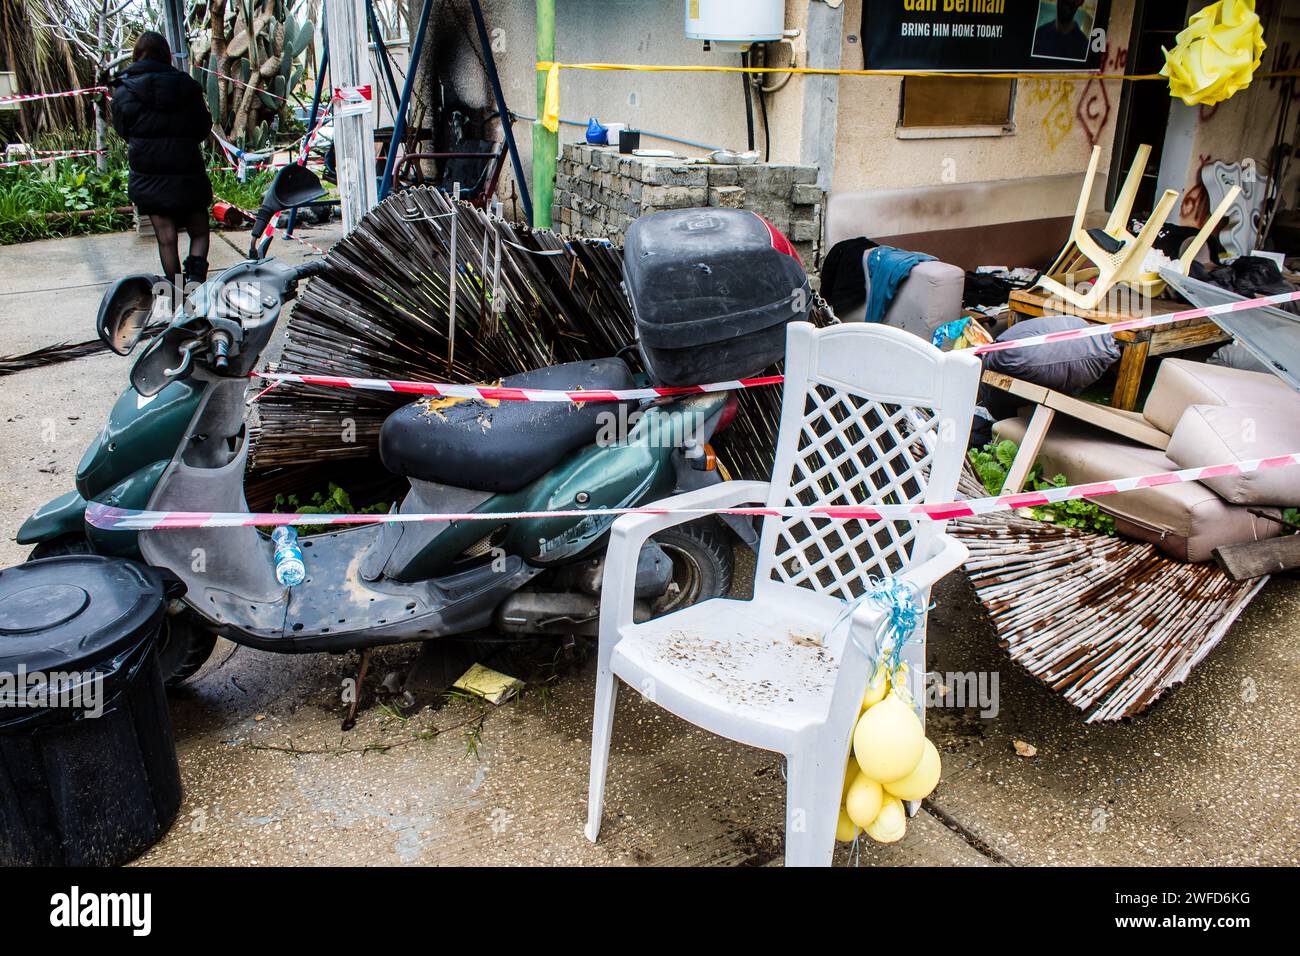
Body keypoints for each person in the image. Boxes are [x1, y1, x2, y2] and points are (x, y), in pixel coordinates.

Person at [110, 31, 214, 295]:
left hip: (149, 173)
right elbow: (203, 127)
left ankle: (178, 296)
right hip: (186, 170)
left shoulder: (123, 91)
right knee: (199, 232)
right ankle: (197, 284)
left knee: (166, 239)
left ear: (137, 55)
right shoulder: (186, 86)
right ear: (167, 55)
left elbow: (123, 130)